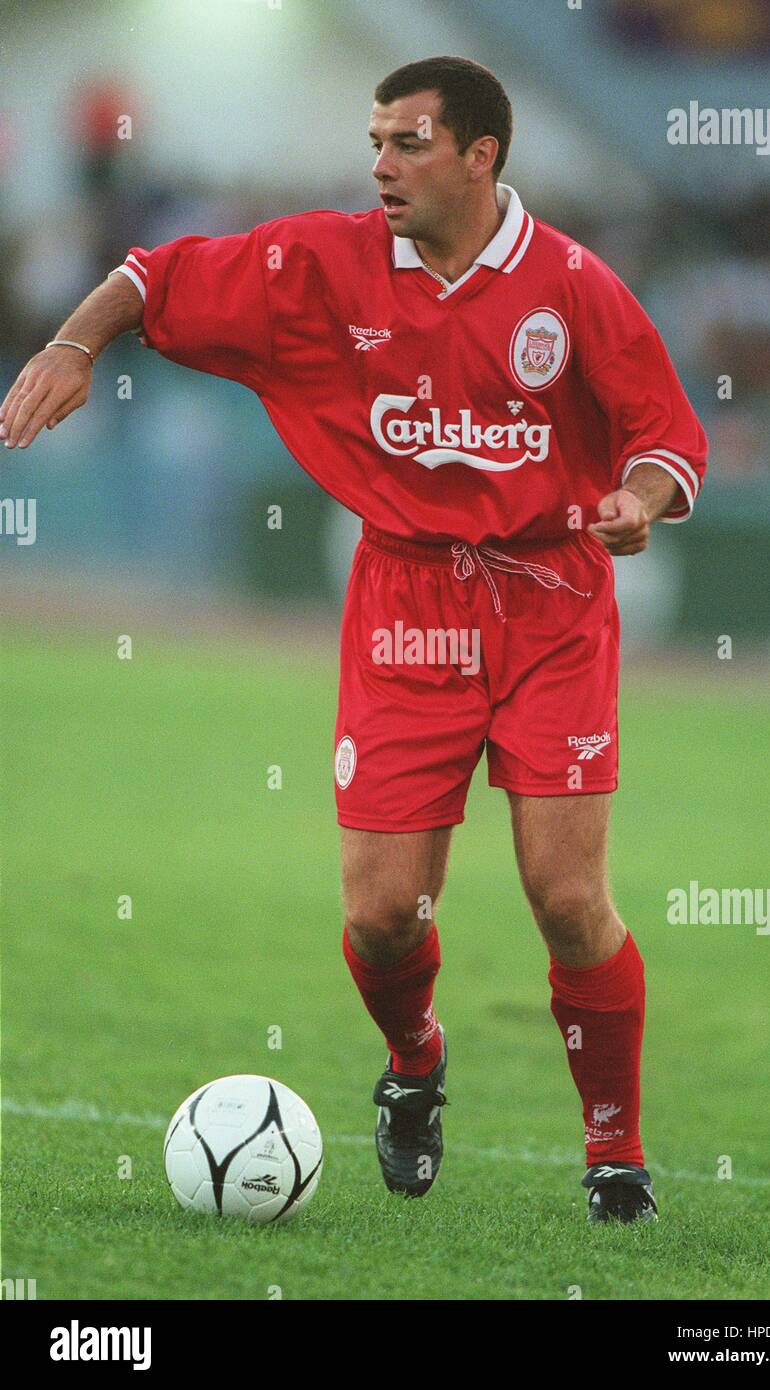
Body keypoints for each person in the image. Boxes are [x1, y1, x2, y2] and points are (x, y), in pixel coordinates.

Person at [0, 57, 707, 1223]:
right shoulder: (314, 265)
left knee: (567, 896)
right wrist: (76, 346)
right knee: (383, 913)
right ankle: (416, 1061)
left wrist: (637, 499)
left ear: (481, 156)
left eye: (408, 142)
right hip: (405, 605)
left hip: (550, 604)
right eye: (374, 139)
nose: (378, 164)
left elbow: (665, 435)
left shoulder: (574, 287)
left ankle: (614, 1153)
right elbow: (148, 274)